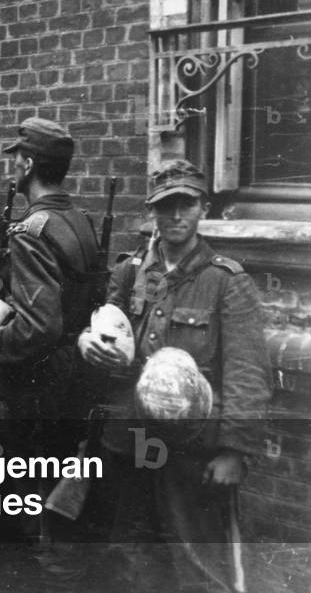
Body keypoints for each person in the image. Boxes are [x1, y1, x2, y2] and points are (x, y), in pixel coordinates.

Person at [78, 160, 271, 592]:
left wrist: (234, 451)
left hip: (192, 451)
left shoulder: (226, 281)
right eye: (166, 206)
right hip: (130, 441)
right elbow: (103, 325)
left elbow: (247, 372)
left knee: (198, 566)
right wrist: (86, 343)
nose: (177, 215)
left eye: (187, 204)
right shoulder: (130, 272)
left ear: (204, 208)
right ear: (153, 211)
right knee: (129, 558)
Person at [0, 117, 105, 586]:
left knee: (26, 490)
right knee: (59, 483)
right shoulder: (80, 219)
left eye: (16, 158)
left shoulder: (32, 230)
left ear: (28, 165)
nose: (12, 166)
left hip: (37, 383)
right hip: (76, 374)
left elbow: (38, 325)